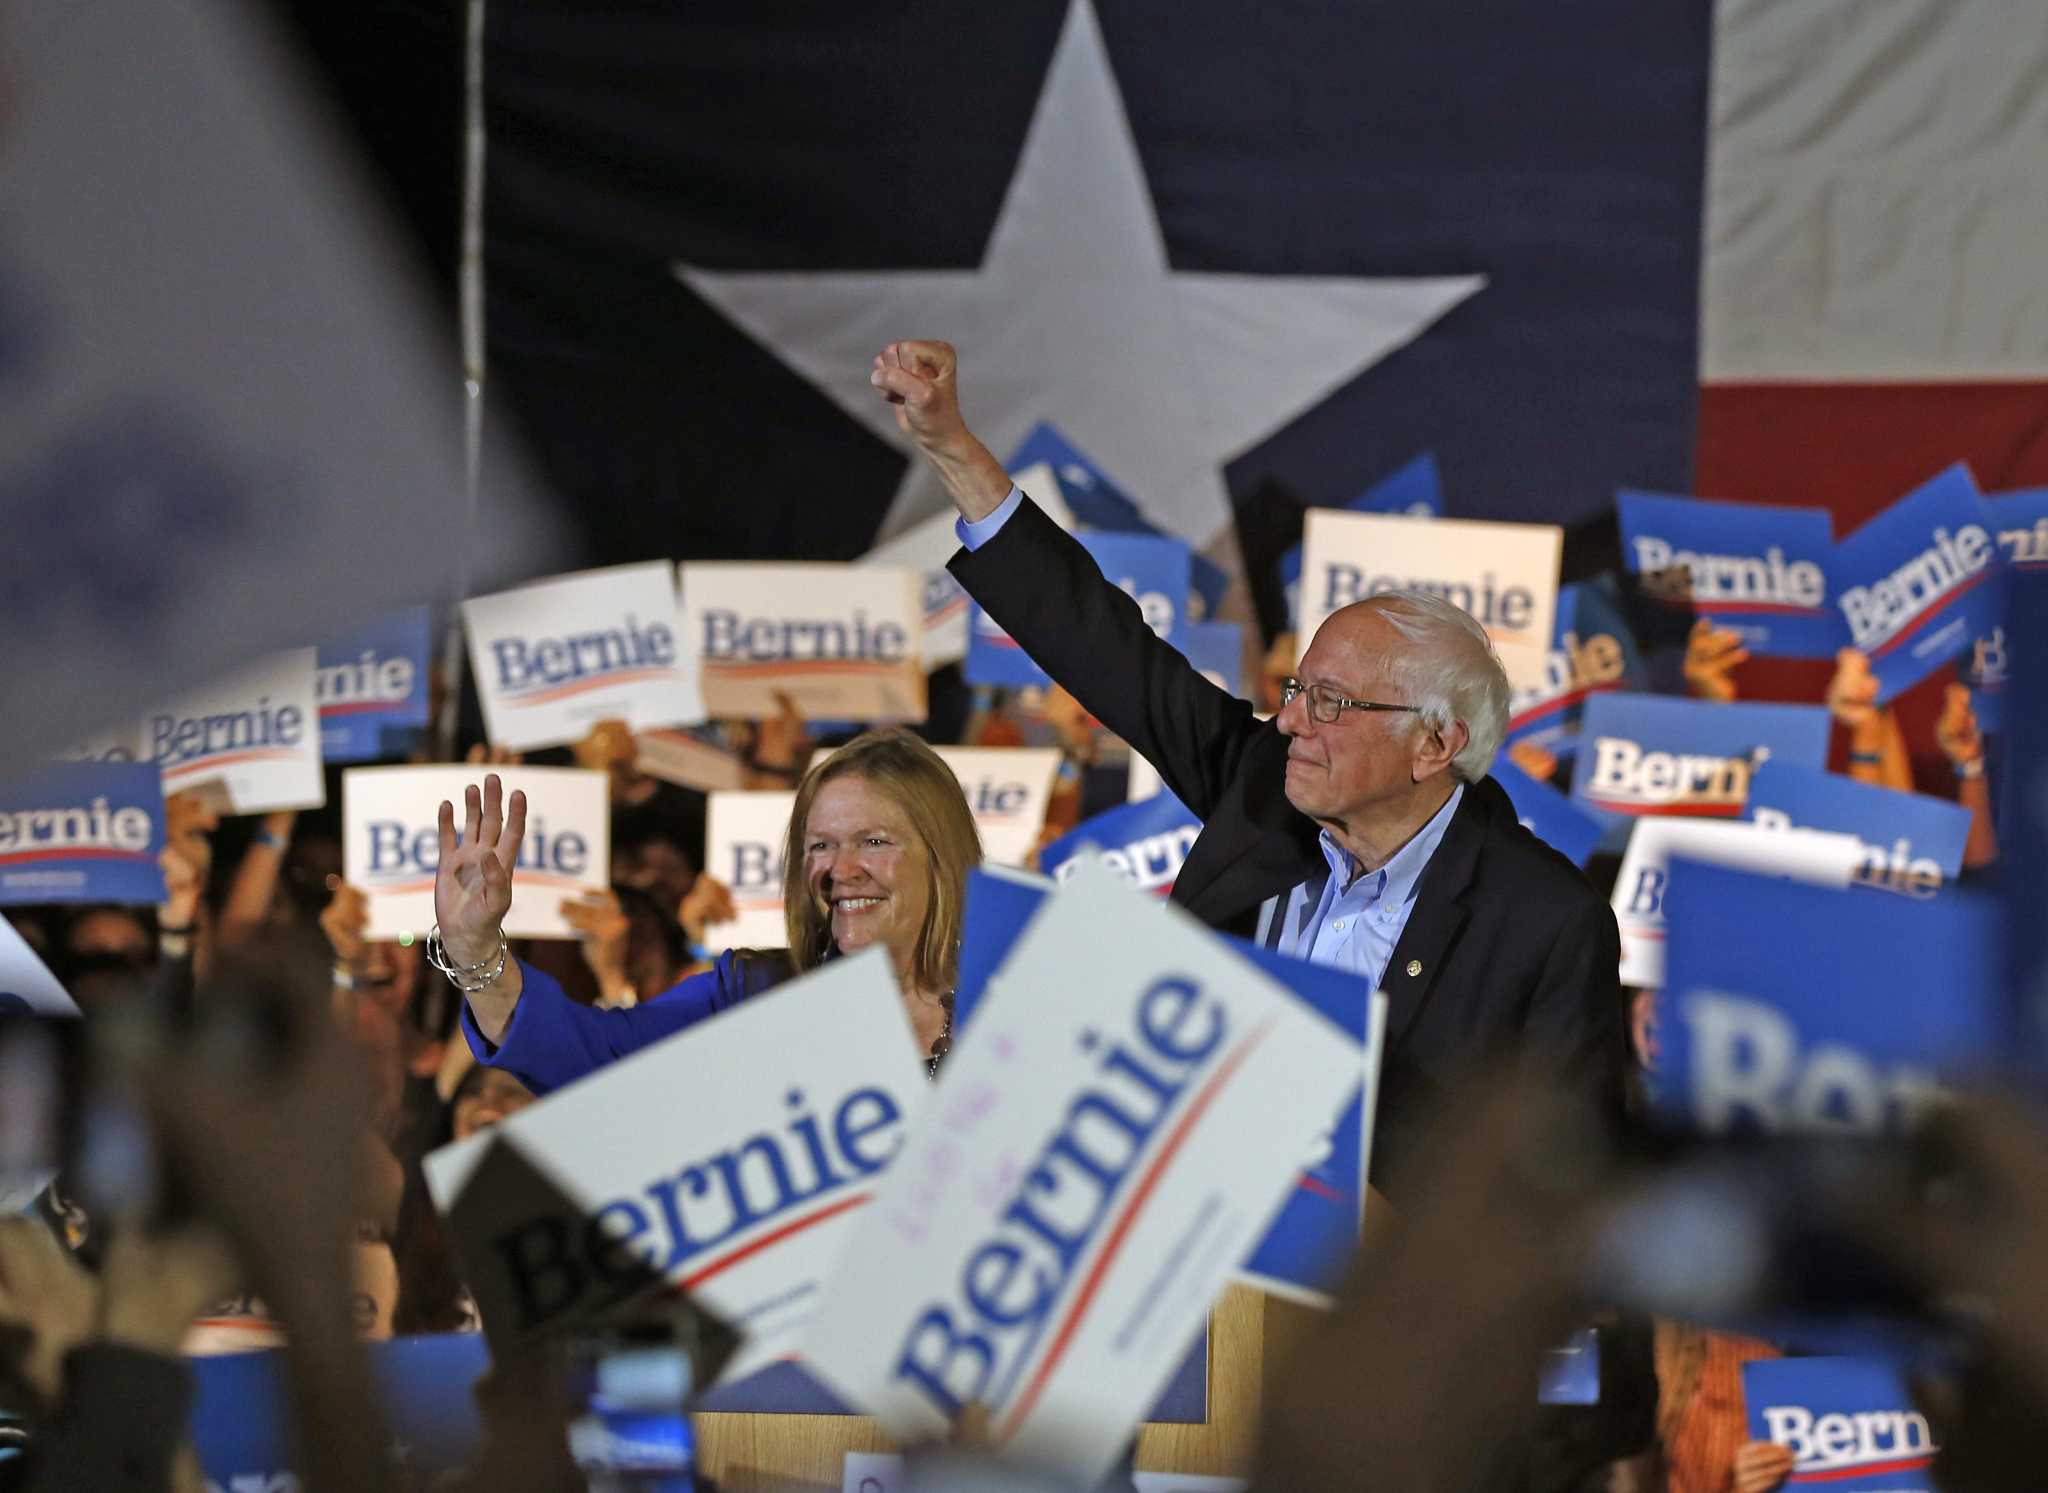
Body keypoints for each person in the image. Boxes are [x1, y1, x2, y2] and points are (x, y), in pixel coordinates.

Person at [869, 339, 1624, 1199]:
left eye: (1332, 703)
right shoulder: (1261, 791)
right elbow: (1103, 645)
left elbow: (1571, 1198)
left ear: (1435, 744)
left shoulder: (1544, 921)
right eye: (1299, 687)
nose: (1292, 719)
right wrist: (954, 448)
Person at [441, 729, 981, 1095]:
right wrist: (475, 951)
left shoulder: (1021, 993)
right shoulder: (756, 993)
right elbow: (592, 1056)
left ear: (941, 855)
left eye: (874, 841)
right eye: (820, 846)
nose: (840, 869)